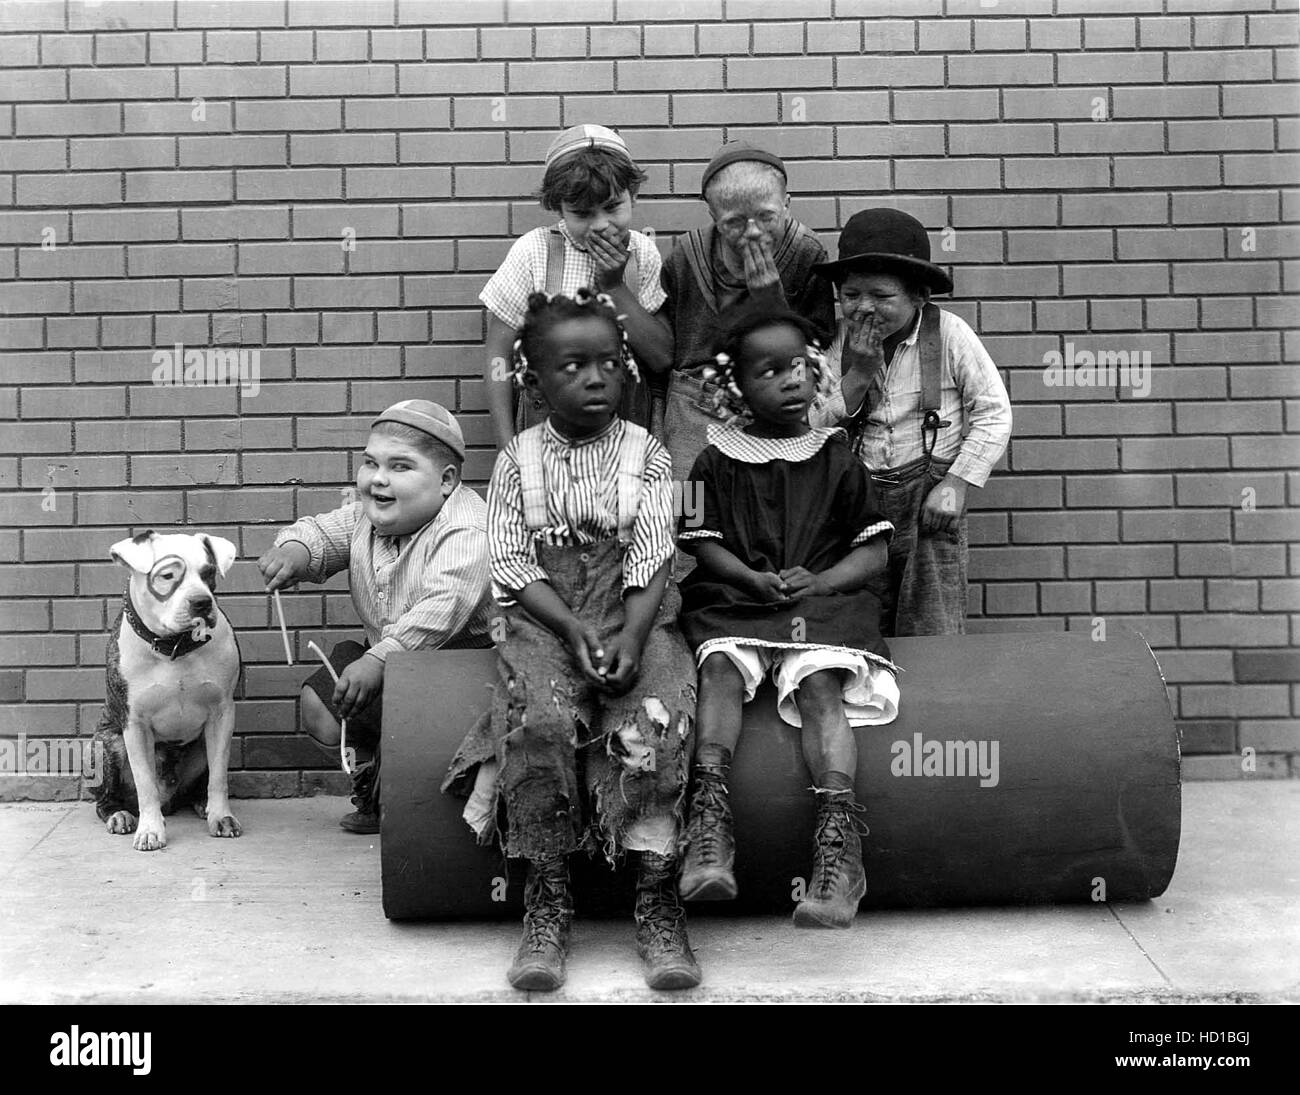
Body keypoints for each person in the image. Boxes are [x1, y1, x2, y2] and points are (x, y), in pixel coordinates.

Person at [444, 289, 700, 992]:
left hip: (635, 613)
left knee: (655, 721)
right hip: (544, 619)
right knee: (540, 721)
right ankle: (547, 899)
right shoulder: (516, 461)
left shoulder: (646, 454)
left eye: (609, 364)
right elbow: (510, 561)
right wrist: (572, 627)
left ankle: (657, 900)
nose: (596, 379)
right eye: (573, 367)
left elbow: (653, 555)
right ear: (533, 382)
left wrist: (631, 636)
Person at [676, 303, 900, 930]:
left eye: (800, 365)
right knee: (719, 667)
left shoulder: (838, 454)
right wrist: (747, 575)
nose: (791, 379)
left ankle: (839, 851)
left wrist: (822, 580)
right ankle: (709, 829)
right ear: (736, 387)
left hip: (821, 602)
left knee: (821, 685)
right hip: (739, 598)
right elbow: (697, 541)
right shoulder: (709, 460)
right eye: (769, 371)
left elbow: (875, 549)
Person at [258, 401, 492, 833]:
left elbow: (440, 609)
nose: (378, 479)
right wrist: (294, 552)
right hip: (390, 670)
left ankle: (425, 790)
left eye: (400, 466)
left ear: (446, 481)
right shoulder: (366, 518)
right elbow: (322, 532)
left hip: (463, 685)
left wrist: (379, 659)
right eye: (371, 463)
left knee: (441, 786)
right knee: (324, 700)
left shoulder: (468, 528)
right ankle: (375, 783)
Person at [810, 208, 1012, 636]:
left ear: (919, 295)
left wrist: (956, 484)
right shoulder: (834, 343)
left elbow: (994, 413)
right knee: (860, 625)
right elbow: (809, 425)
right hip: (855, 509)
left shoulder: (950, 334)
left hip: (930, 507)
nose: (864, 308)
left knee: (932, 624)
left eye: (882, 296)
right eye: (851, 295)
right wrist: (859, 375)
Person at [480, 124, 671, 449]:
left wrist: (615, 287)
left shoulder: (642, 254)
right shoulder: (535, 252)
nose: (600, 225)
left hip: (623, 442)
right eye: (582, 214)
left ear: (633, 195)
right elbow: (498, 355)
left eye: (612, 207)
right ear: (559, 208)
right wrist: (505, 446)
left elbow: (661, 357)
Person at [658, 140, 836, 481]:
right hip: (694, 408)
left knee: (769, 500)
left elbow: (814, 356)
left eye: (767, 217)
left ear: (786, 204)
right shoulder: (687, 256)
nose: (753, 232)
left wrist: (772, 303)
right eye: (734, 223)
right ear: (713, 216)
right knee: (691, 502)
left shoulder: (805, 253)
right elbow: (668, 352)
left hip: (777, 406)